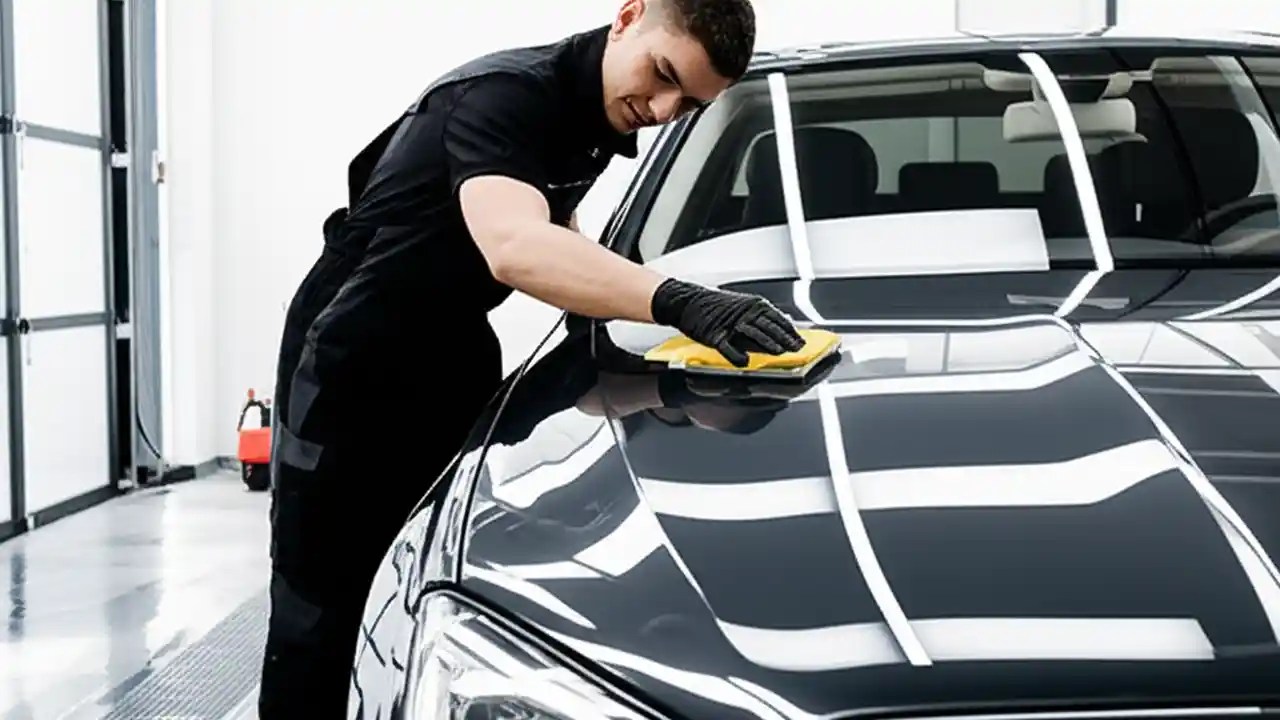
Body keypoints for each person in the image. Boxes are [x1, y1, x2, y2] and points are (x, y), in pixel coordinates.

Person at [258, 0, 804, 715]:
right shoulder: (502, 96)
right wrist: (679, 301)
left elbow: (558, 227)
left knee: (426, 567)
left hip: (451, 344)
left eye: (689, 105)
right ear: (629, 16)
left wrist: (610, 332)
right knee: (321, 595)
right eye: (664, 75)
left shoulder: (596, 111)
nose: (662, 109)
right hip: (352, 354)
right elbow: (515, 245)